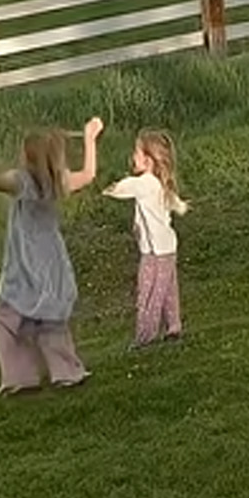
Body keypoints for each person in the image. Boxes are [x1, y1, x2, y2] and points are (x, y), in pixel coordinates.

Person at [0, 116, 104, 393]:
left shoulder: (22, 182)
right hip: (51, 261)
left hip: (24, 262)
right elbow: (88, 175)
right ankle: (66, 372)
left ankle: (20, 377)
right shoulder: (57, 180)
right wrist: (90, 137)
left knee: (7, 315)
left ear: (26, 156)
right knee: (51, 318)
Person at [103, 128, 188, 348]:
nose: (133, 157)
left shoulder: (147, 183)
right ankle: (174, 327)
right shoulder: (157, 184)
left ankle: (145, 338)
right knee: (167, 289)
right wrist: (182, 207)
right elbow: (174, 204)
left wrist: (108, 188)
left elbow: (126, 187)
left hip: (159, 251)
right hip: (160, 249)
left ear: (149, 160)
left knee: (150, 294)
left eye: (137, 152)